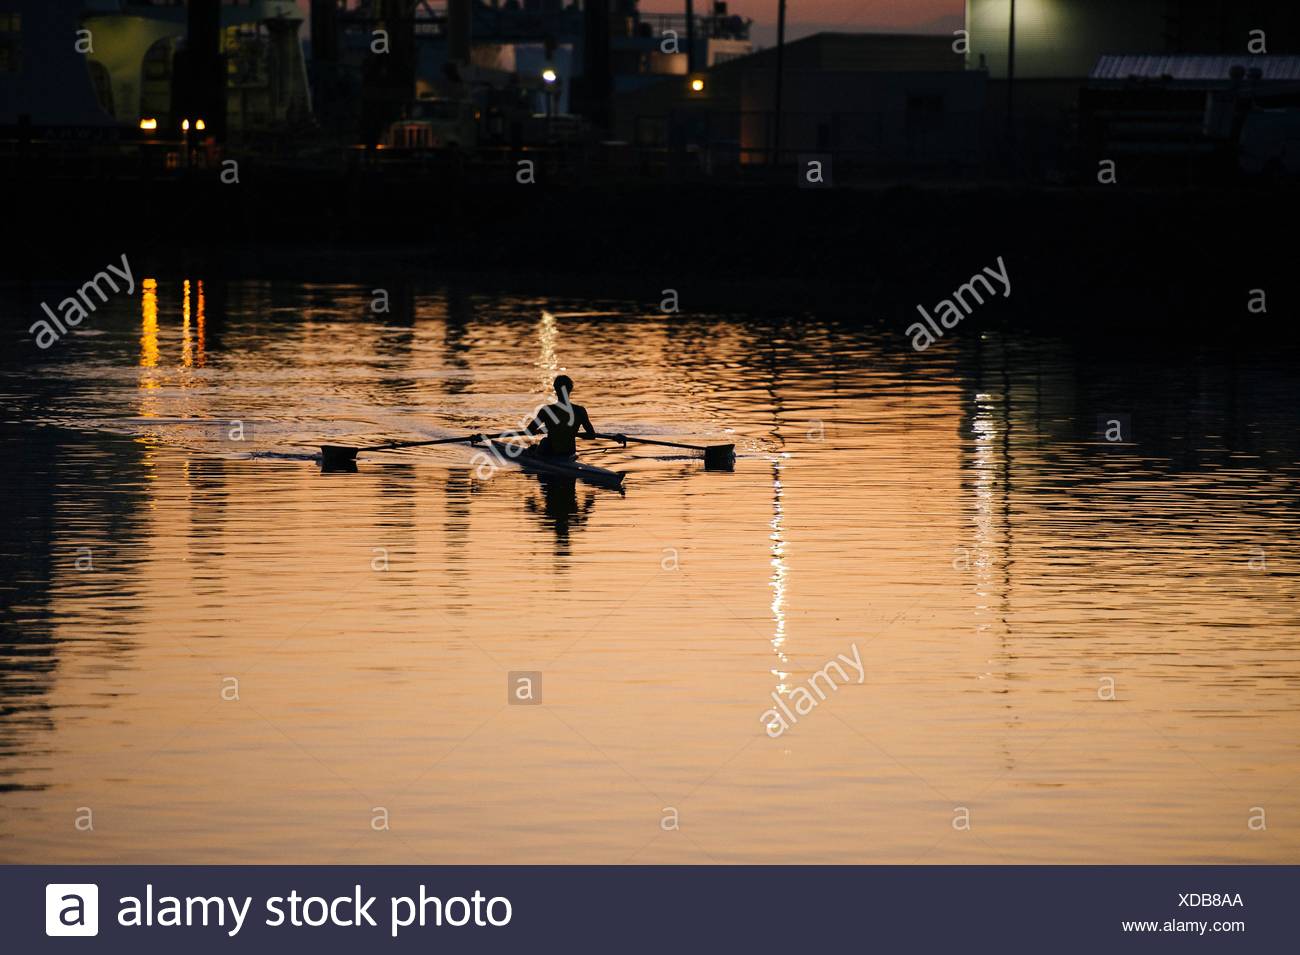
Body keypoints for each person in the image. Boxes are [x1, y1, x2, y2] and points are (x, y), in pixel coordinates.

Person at [526, 375, 606, 458]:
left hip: (551, 452)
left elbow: (529, 430)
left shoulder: (547, 410)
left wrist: (543, 430)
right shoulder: (580, 410)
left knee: (542, 443)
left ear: (555, 390)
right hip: (570, 453)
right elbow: (591, 435)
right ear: (570, 390)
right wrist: (573, 433)